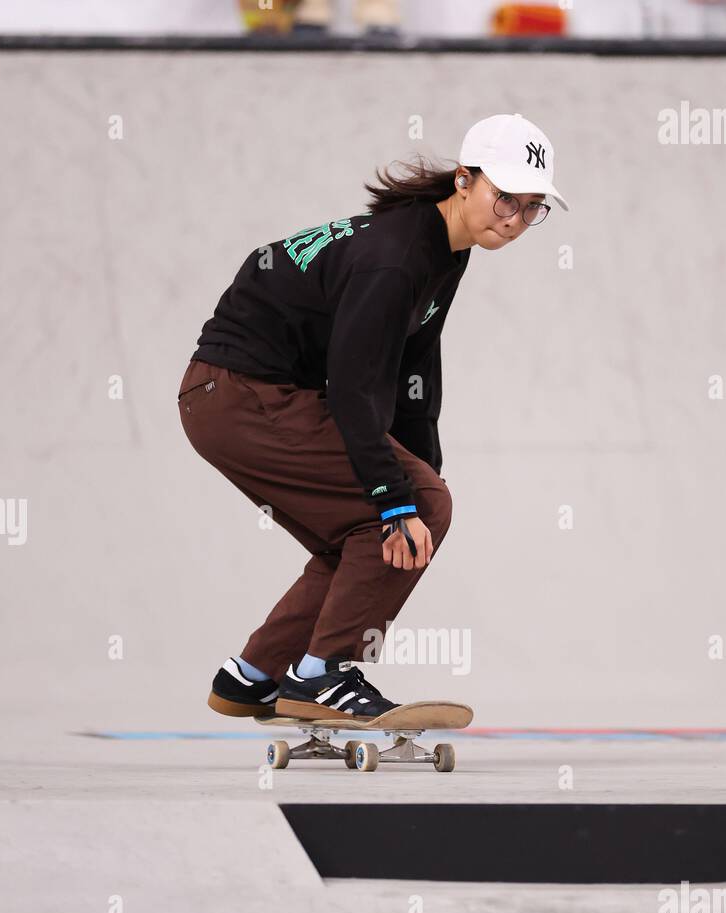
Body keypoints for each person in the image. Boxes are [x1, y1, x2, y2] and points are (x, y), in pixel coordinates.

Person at [177, 112, 568, 723]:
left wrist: (421, 468)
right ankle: (322, 676)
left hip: (238, 396)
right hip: (244, 395)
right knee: (408, 513)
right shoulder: (397, 258)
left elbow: (416, 368)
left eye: (532, 208)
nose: (514, 221)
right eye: (504, 199)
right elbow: (355, 384)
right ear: (464, 180)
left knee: (368, 535)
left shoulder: (444, 247)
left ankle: (253, 675)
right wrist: (402, 496)